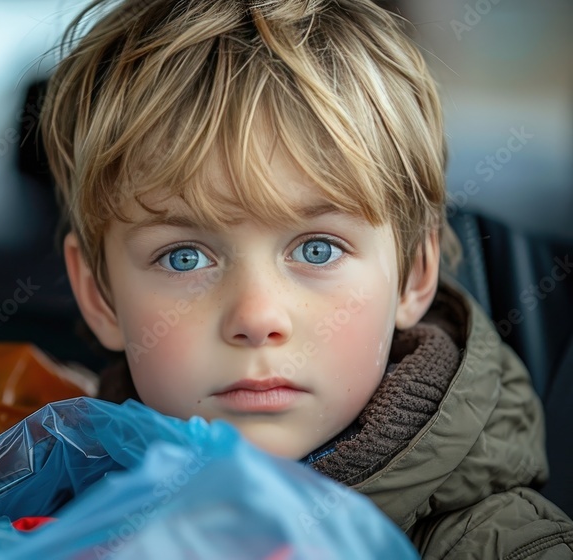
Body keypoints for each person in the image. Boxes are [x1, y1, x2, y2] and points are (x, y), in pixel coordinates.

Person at [39, 0, 573, 557]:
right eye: (184, 258)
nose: (257, 317)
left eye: (317, 249)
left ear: (415, 274)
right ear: (99, 295)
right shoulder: (46, 502)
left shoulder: (508, 547)